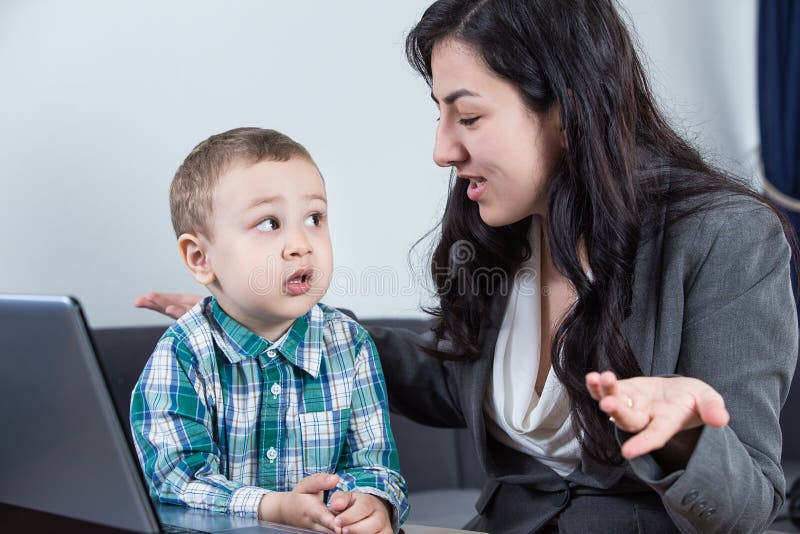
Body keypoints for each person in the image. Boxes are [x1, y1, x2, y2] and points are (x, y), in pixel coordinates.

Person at [135, 1, 799, 532]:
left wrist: (684, 437)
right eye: (439, 114)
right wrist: (280, 330)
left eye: (469, 116)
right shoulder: (504, 233)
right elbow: (450, 381)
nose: (442, 149)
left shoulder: (726, 237)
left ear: (567, 111)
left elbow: (749, 509)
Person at [130, 127, 409, 534]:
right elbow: (175, 480)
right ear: (200, 257)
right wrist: (271, 507)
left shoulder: (351, 345)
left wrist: (369, 503)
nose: (301, 244)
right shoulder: (183, 354)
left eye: (314, 218)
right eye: (268, 223)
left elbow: (375, 465)